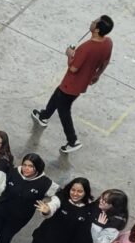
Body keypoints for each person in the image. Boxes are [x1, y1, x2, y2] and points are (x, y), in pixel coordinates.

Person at [32, 15, 114, 153]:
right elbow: (106, 61)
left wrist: (70, 54)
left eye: (94, 22)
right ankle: (44, 116)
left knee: (64, 110)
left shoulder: (86, 48)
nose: (92, 21)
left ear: (97, 30)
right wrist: (97, 75)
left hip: (71, 84)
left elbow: (73, 68)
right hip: (82, 82)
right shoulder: (108, 42)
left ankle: (72, 140)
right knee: (57, 96)